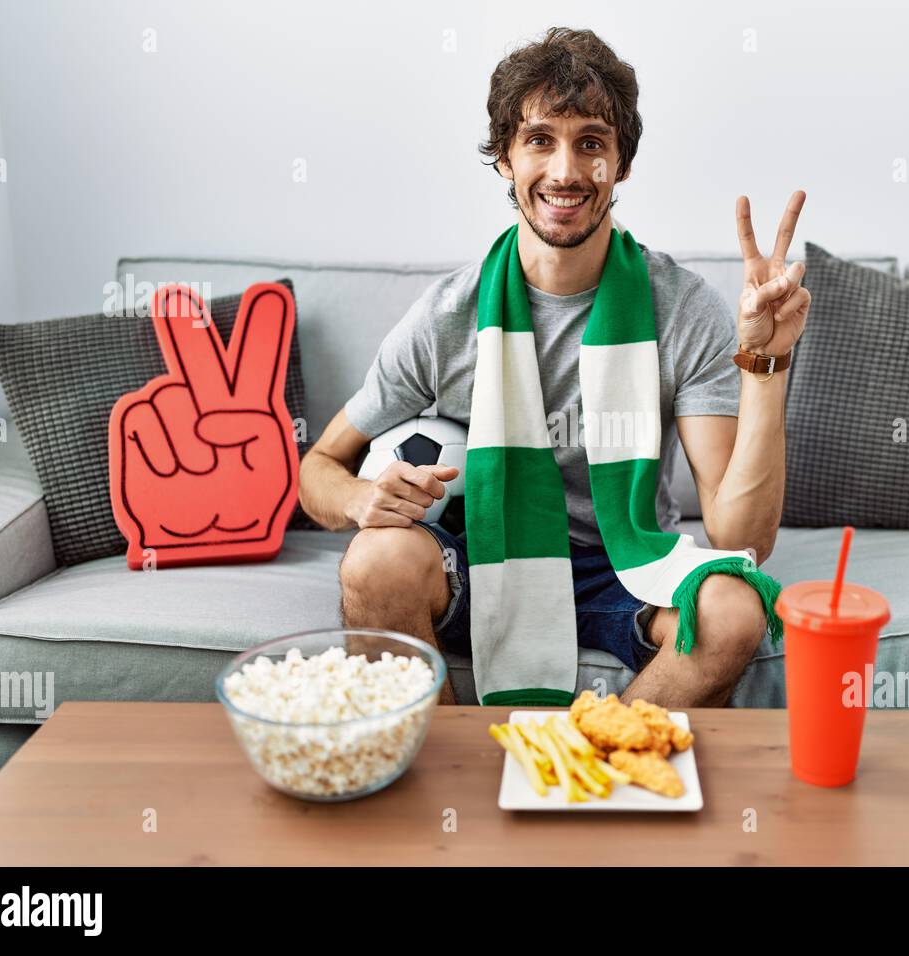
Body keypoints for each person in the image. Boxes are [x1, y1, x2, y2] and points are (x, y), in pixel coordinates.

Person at [298, 27, 811, 707]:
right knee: (374, 559)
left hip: (626, 567)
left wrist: (768, 361)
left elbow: (740, 538)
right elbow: (317, 469)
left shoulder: (682, 308)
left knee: (733, 610)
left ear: (621, 165)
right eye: (540, 140)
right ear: (505, 159)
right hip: (485, 558)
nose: (566, 171)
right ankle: (451, 768)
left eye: (591, 143)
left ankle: (598, 758)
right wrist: (361, 499)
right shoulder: (449, 315)